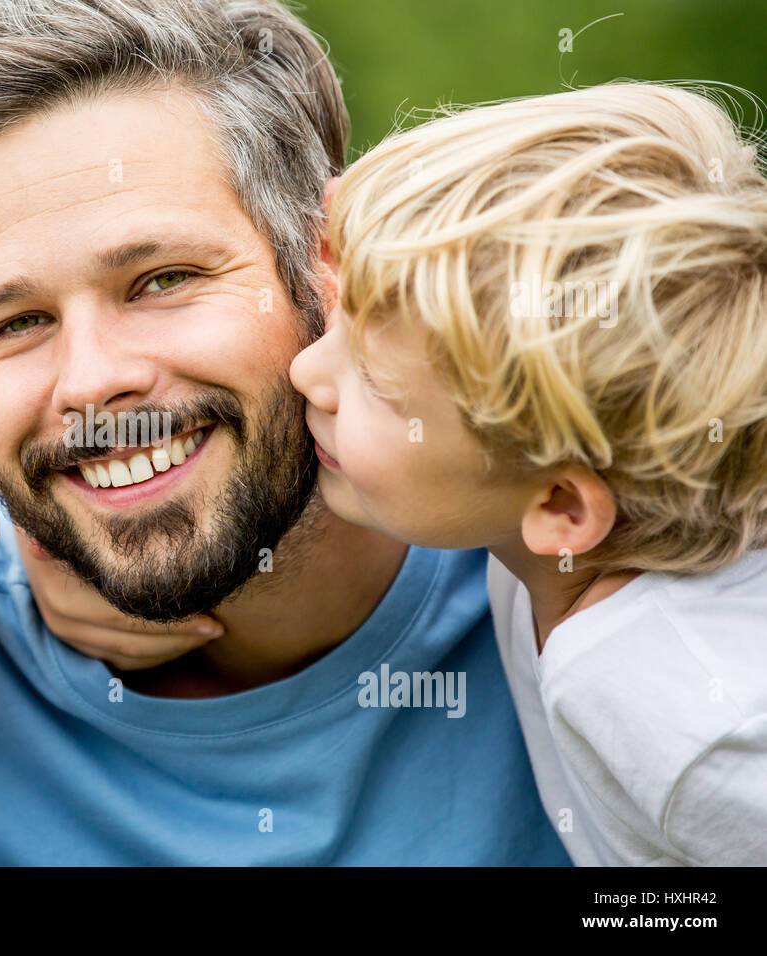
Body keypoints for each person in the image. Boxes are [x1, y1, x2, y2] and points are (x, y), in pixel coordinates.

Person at [0, 0, 570, 864]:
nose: (92, 380)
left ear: (325, 264)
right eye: (16, 324)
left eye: (162, 279)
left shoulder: (566, 544)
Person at [289, 82, 767, 865]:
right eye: (341, 319)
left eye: (375, 383)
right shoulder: (541, 539)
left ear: (562, 508)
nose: (308, 370)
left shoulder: (683, 708)